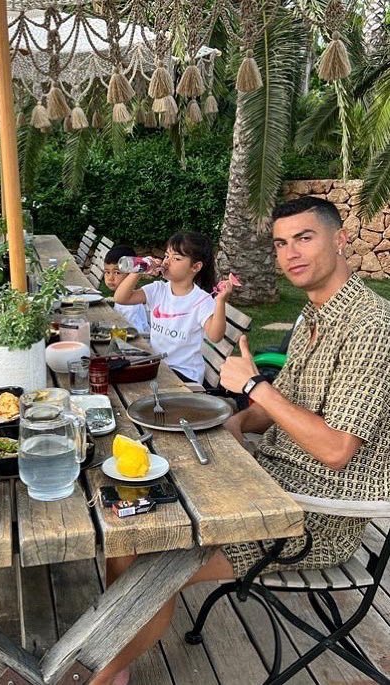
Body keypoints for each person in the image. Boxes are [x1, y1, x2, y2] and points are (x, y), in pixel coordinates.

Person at [90, 196, 390, 685]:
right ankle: (113, 661)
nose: (290, 253)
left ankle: (93, 674)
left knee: (149, 558)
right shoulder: (315, 317)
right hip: (261, 481)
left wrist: (253, 386)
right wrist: (236, 420)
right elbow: (275, 411)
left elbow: (336, 450)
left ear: (340, 240)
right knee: (127, 527)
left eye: (304, 238)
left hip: (310, 517)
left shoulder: (372, 328)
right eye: (281, 243)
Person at [114, 231, 232, 384]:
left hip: (184, 375)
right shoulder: (158, 289)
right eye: (166, 255)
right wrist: (140, 269)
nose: (167, 262)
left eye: (176, 258)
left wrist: (220, 302)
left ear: (195, 267)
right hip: (159, 367)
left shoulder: (201, 300)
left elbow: (215, 336)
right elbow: (121, 298)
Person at [103, 245, 150, 334]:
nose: (110, 278)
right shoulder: (122, 297)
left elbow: (136, 334)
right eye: (107, 272)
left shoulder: (131, 307)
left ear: (131, 274)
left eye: (117, 273)